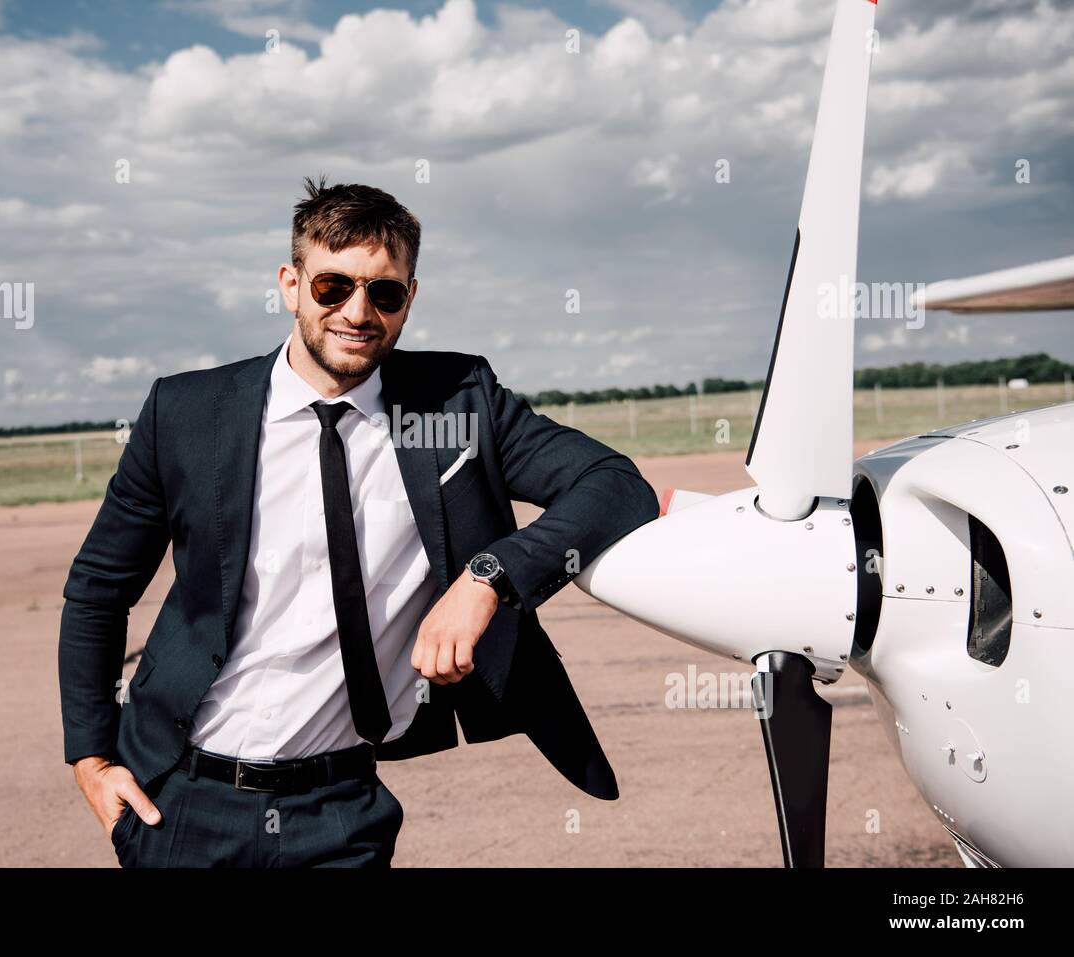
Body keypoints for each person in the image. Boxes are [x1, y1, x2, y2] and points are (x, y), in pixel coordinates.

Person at [58, 174, 660, 867]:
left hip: (340, 810)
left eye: (385, 291)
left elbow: (614, 485)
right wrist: (91, 758)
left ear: (409, 300)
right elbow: (99, 587)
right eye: (331, 286)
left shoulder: (456, 404)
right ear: (290, 284)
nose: (357, 310)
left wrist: (486, 578)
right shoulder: (186, 413)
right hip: (181, 801)